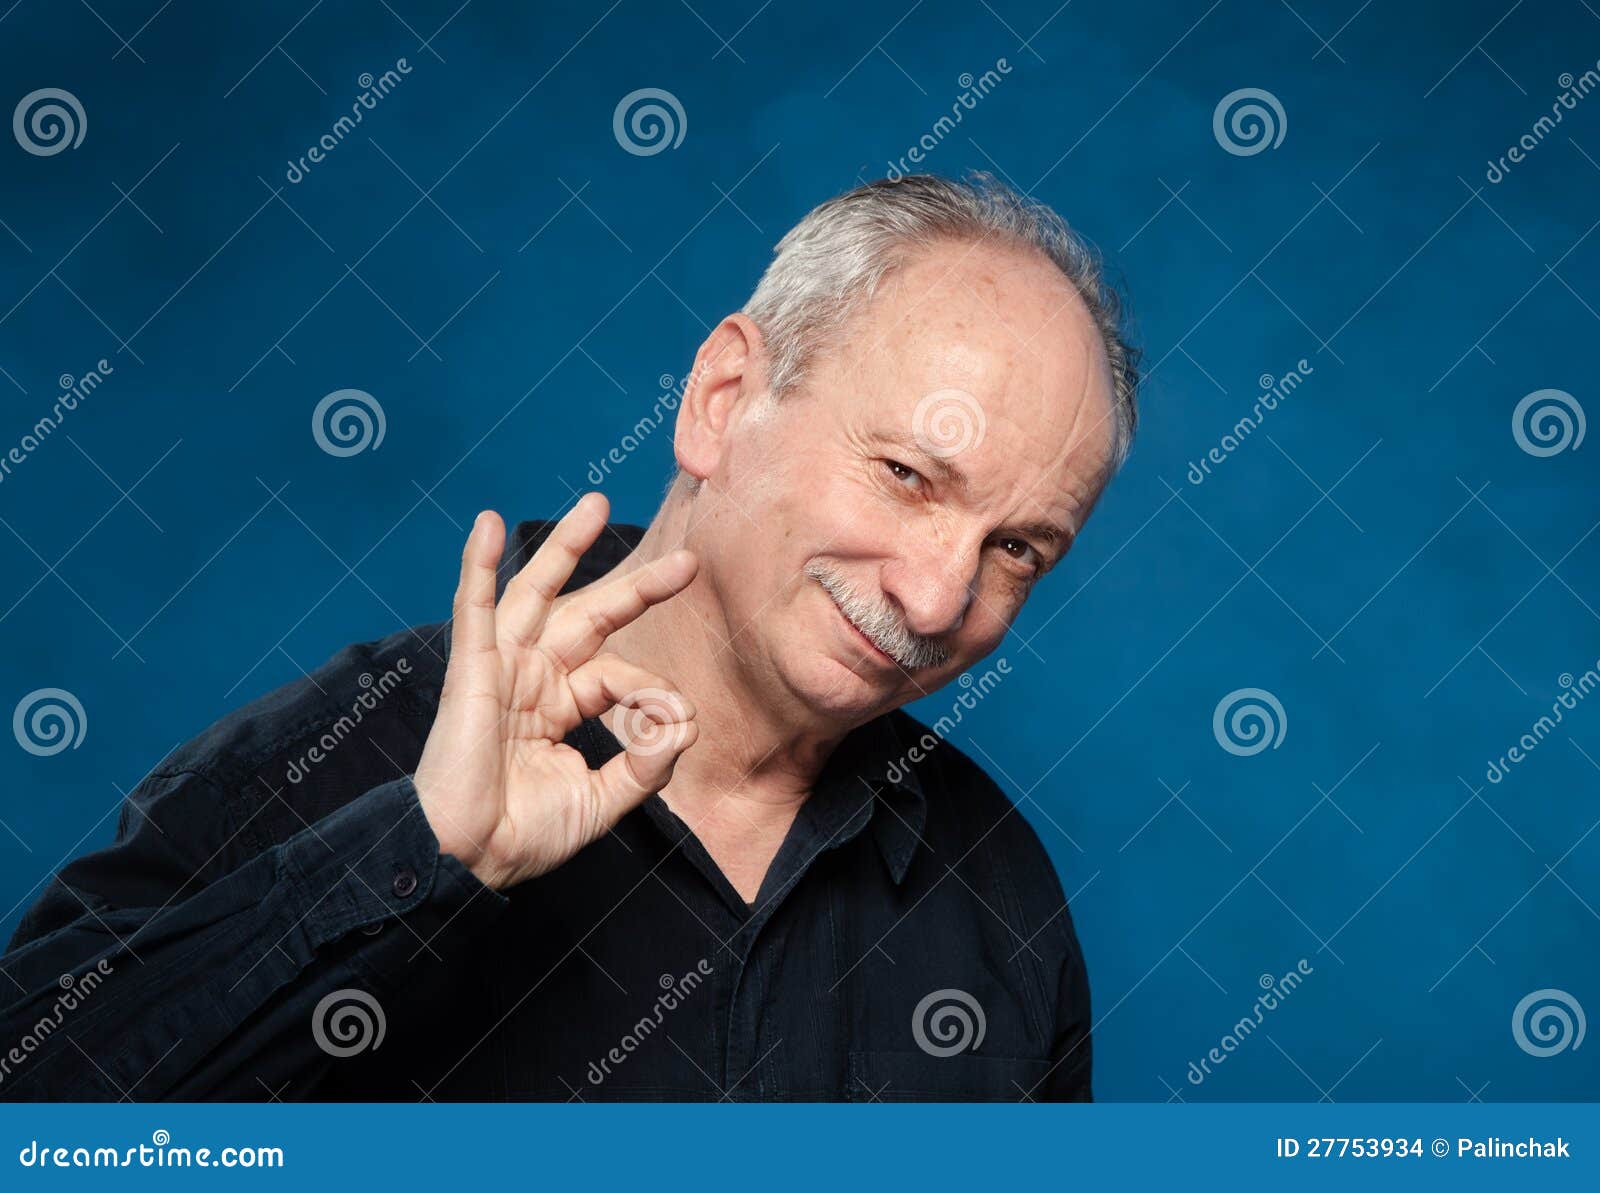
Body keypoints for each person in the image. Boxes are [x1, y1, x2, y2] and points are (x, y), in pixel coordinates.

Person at [0, 172, 1137, 1101]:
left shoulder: (998, 895)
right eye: (904, 475)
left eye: (1017, 548)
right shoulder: (334, 760)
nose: (937, 598)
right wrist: (420, 850)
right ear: (723, 397)